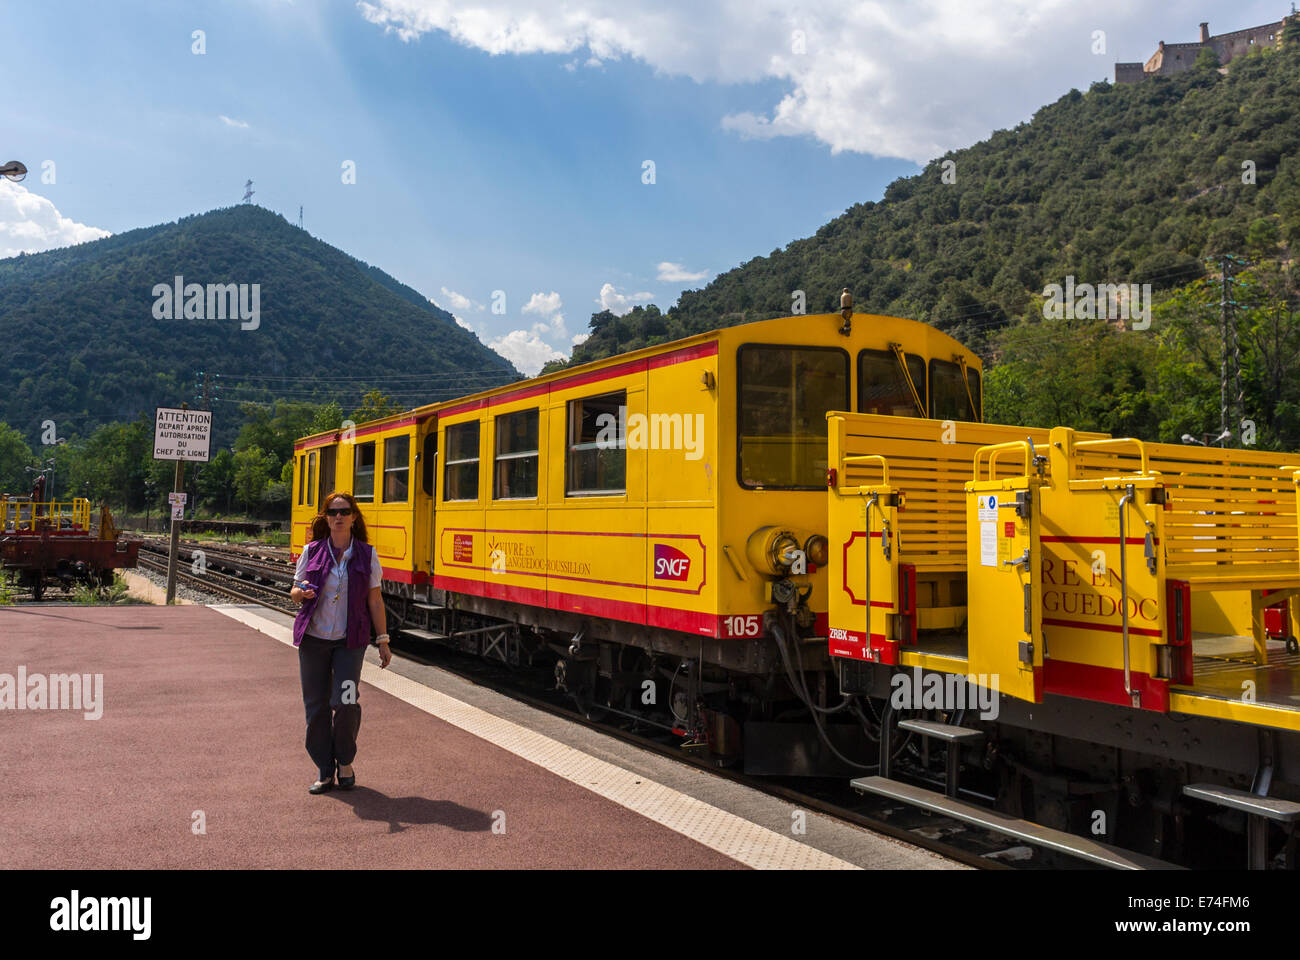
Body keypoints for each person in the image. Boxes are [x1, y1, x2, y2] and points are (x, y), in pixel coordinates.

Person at [289, 491, 391, 795]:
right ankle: (324, 769)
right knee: (316, 707)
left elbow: (374, 600)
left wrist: (383, 640)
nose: (339, 517)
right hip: (314, 642)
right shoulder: (311, 551)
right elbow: (294, 591)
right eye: (333, 512)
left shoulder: (367, 554)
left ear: (354, 517)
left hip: (349, 642)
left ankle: (345, 761)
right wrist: (301, 594)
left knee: (346, 702)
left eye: (345, 511)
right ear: (326, 517)